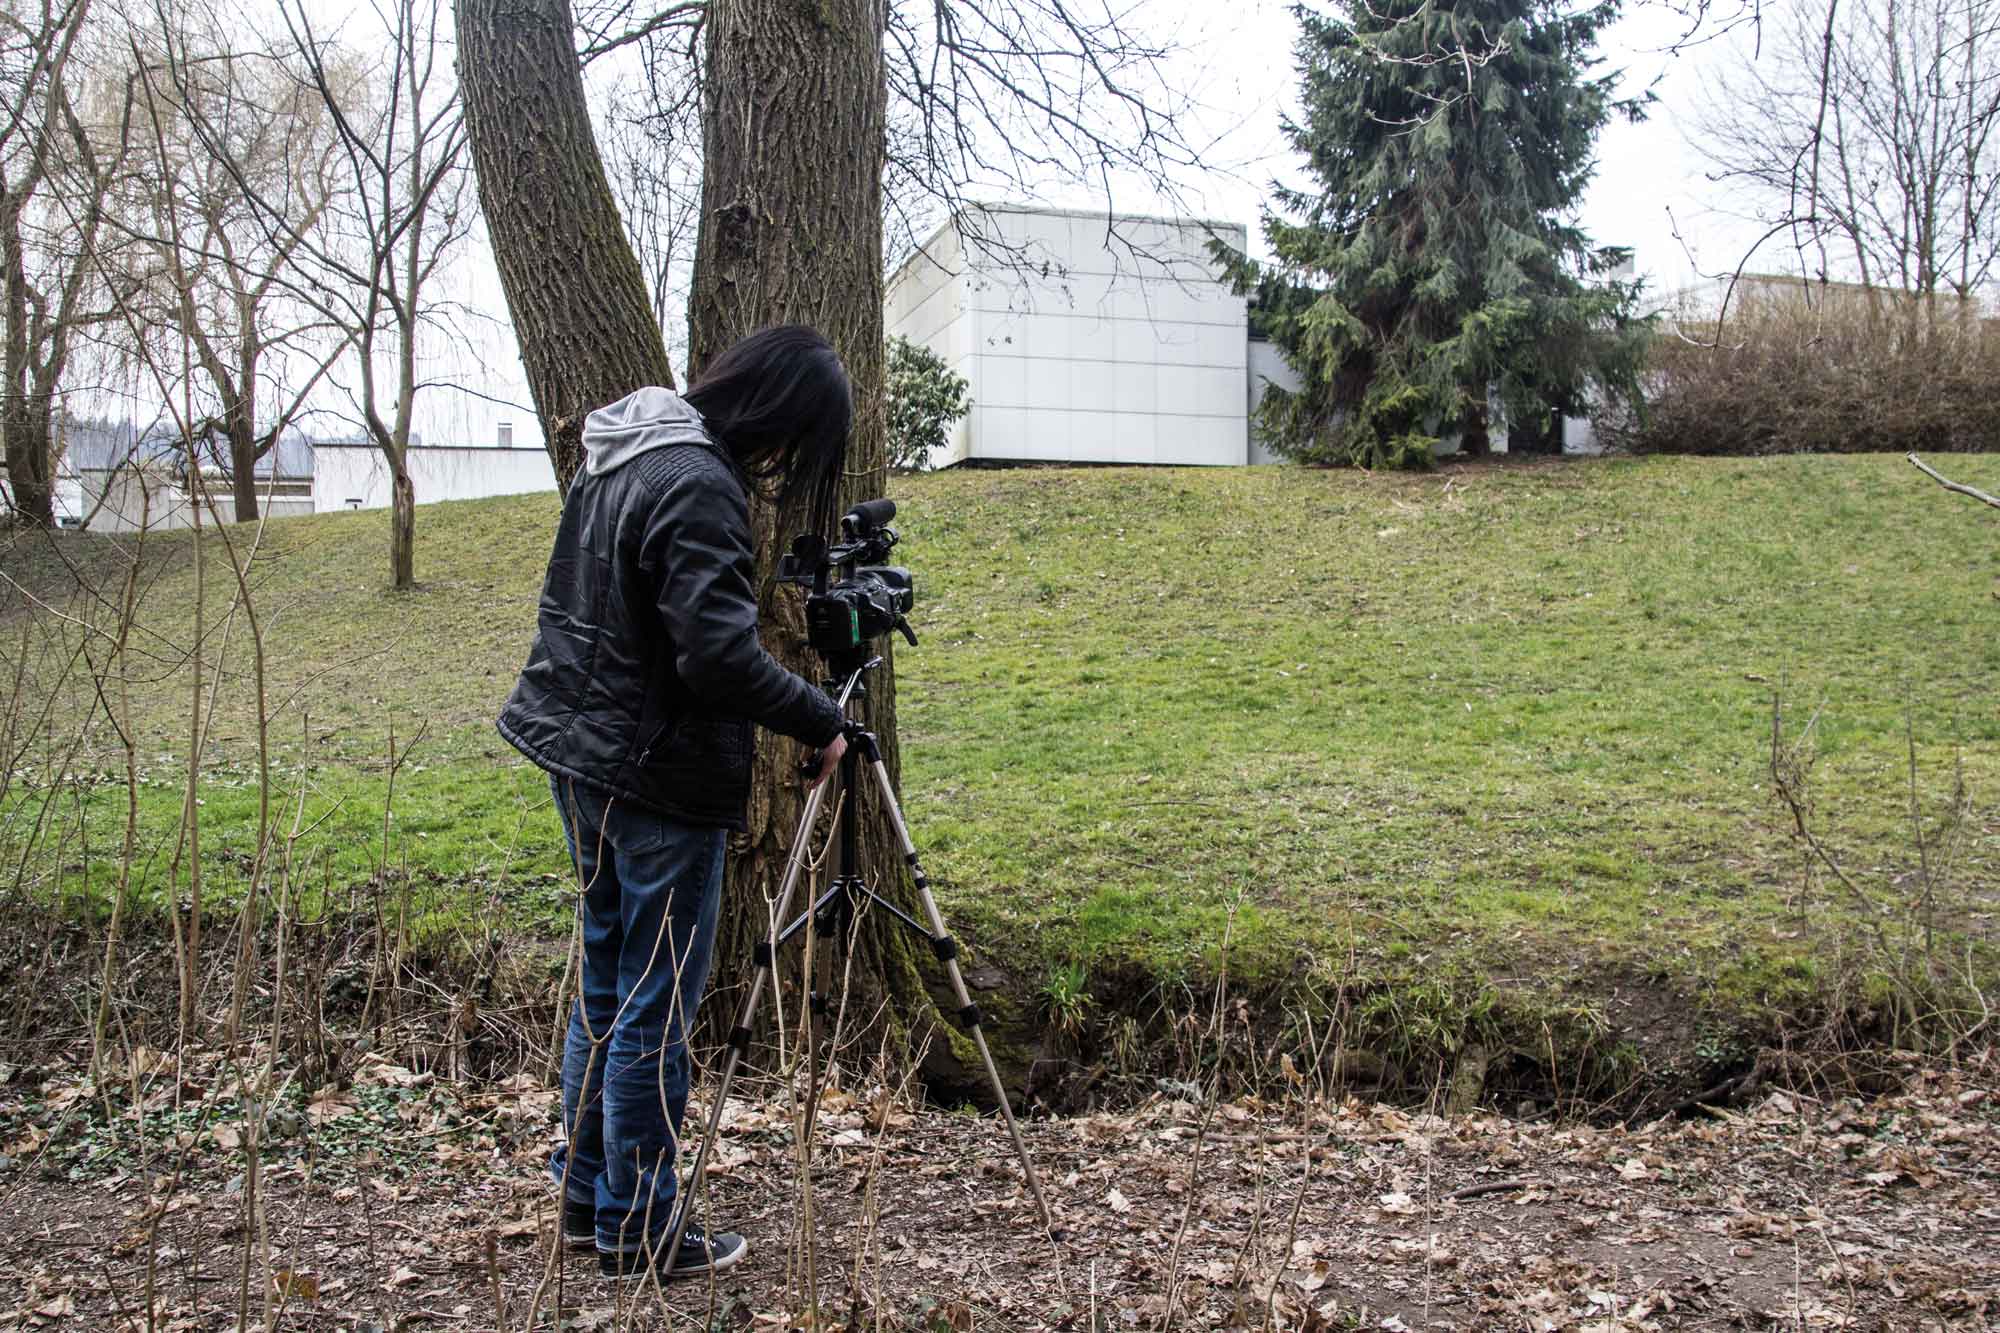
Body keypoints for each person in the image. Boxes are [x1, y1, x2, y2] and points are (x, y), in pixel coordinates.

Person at [497, 325, 852, 1280]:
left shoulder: (624, 451)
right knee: (652, 1001)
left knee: (609, 989)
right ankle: (642, 1229)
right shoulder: (696, 482)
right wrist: (820, 717)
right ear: (777, 417)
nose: (781, 466)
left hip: (585, 755)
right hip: (652, 773)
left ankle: (587, 1203)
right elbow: (717, 655)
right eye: (793, 444)